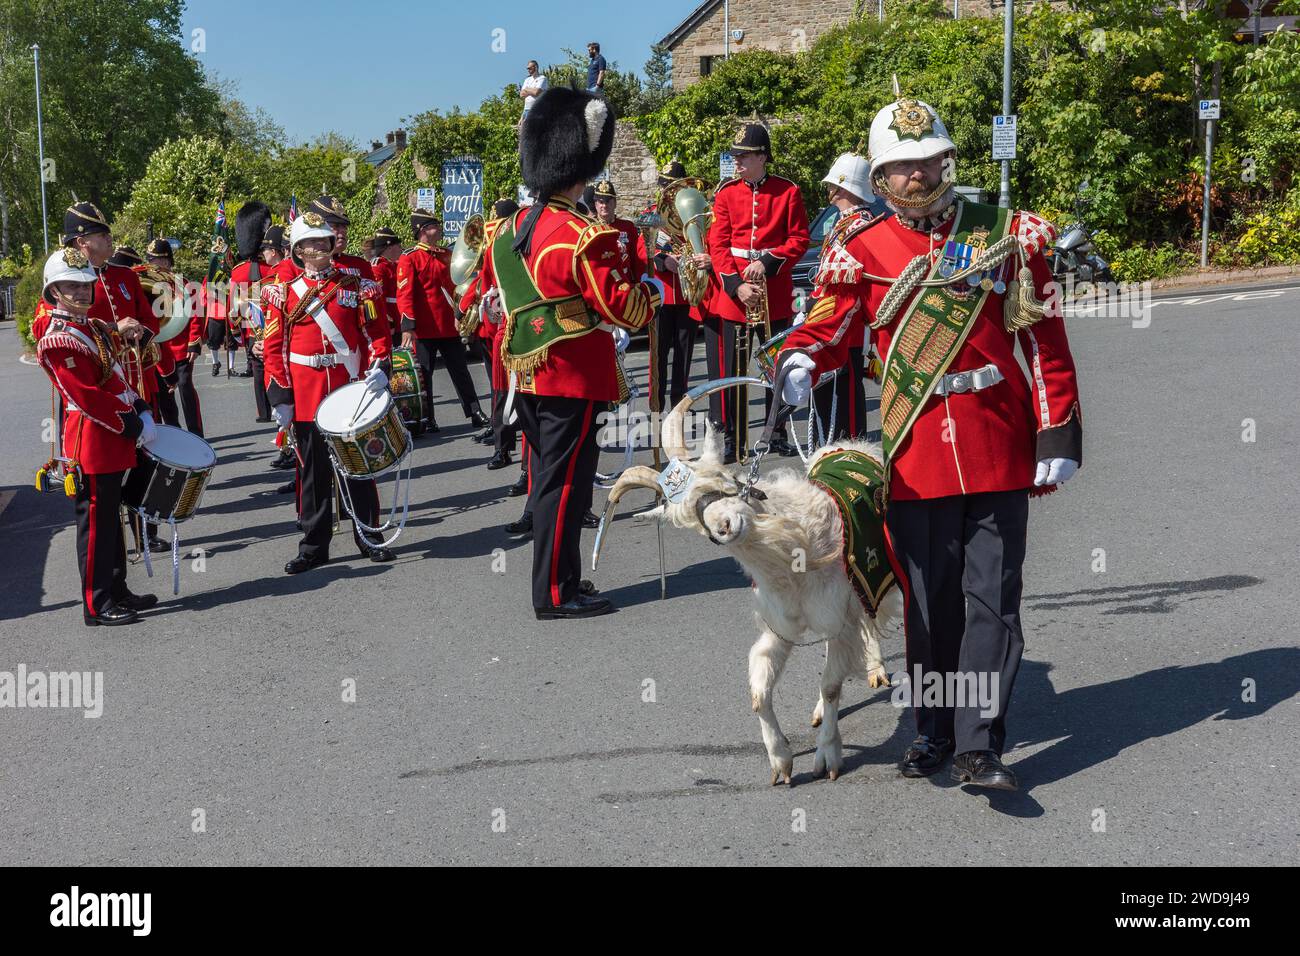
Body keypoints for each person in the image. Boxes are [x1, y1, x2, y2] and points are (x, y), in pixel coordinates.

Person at [776, 98, 1083, 792]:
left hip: (999, 444)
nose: (916, 178)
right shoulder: (860, 251)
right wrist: (800, 360)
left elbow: (1046, 339)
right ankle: (935, 729)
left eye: (926, 163)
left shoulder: (1008, 236)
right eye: (900, 169)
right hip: (916, 453)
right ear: (880, 181)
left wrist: (1056, 425)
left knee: (994, 602)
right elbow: (827, 325)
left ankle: (979, 745)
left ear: (947, 160)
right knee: (927, 606)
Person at [482, 87, 661, 619]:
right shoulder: (585, 234)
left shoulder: (507, 230)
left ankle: (565, 579)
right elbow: (624, 308)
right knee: (565, 489)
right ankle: (554, 593)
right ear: (581, 165)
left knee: (552, 481)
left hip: (526, 374)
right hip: (573, 377)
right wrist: (650, 286)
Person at [261, 213, 396, 573]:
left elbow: (376, 332)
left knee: (358, 468)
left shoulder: (357, 285)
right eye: (313, 242)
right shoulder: (283, 294)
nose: (322, 246)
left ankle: (369, 535)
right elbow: (275, 347)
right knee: (313, 473)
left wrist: (380, 366)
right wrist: (280, 398)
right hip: (305, 393)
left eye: (325, 240)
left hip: (348, 386)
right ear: (299, 251)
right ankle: (313, 547)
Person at [34, 248, 159, 626]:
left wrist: (138, 404)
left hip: (112, 436)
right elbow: (85, 396)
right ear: (55, 290)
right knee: (95, 522)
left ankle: (117, 588)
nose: (83, 291)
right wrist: (130, 421)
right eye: (73, 285)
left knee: (113, 519)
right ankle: (97, 602)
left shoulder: (91, 328)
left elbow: (116, 376)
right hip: (92, 439)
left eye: (86, 284)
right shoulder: (59, 339)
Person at [706, 121, 810, 460]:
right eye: (735, 157)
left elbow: (798, 240)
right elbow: (717, 244)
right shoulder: (725, 192)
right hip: (735, 297)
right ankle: (730, 438)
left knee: (775, 368)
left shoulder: (787, 191)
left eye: (744, 157)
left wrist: (767, 263)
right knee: (731, 373)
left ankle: (775, 431)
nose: (737, 162)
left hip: (773, 294)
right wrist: (736, 286)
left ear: (763, 157)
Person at [396, 209, 490, 434]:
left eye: (436, 223)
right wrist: (408, 327)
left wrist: (462, 314)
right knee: (424, 375)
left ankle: (475, 411)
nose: (437, 227)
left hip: (448, 325)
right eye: (432, 225)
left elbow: (456, 288)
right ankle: (428, 418)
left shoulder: (446, 255)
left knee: (461, 372)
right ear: (421, 231)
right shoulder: (409, 257)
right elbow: (404, 294)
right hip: (425, 329)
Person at [806, 151, 879, 442]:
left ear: (844, 187)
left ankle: (847, 458)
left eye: (833, 186)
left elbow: (848, 286)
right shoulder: (843, 222)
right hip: (827, 322)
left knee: (843, 403)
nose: (829, 191)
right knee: (829, 401)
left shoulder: (858, 226)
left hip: (842, 328)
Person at [137, 237, 205, 436]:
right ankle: (174, 433)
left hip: (181, 347)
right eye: (150, 259)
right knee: (163, 396)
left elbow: (195, 314)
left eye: (156, 260)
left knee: (185, 388)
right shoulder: (143, 282)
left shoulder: (181, 284)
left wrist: (194, 342)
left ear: (167, 262)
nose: (153, 264)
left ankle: (196, 432)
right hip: (157, 348)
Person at [649, 160, 700, 411]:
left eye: (671, 187)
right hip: (661, 294)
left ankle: (679, 408)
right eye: (664, 186)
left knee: (684, 356)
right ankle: (657, 409)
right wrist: (662, 260)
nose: (666, 191)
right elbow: (643, 251)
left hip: (685, 294)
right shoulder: (652, 212)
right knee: (658, 358)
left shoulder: (692, 211)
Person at [229, 201, 275, 422]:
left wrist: (236, 331)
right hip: (276, 324)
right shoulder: (274, 268)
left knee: (257, 369)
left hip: (251, 328)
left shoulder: (238, 272)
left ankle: (263, 412)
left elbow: (234, 308)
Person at [368, 226, 403, 347]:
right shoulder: (379, 266)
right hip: (391, 319)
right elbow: (378, 297)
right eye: (398, 246)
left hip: (399, 318)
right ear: (389, 247)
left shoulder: (392, 264)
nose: (401, 249)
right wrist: (388, 321)